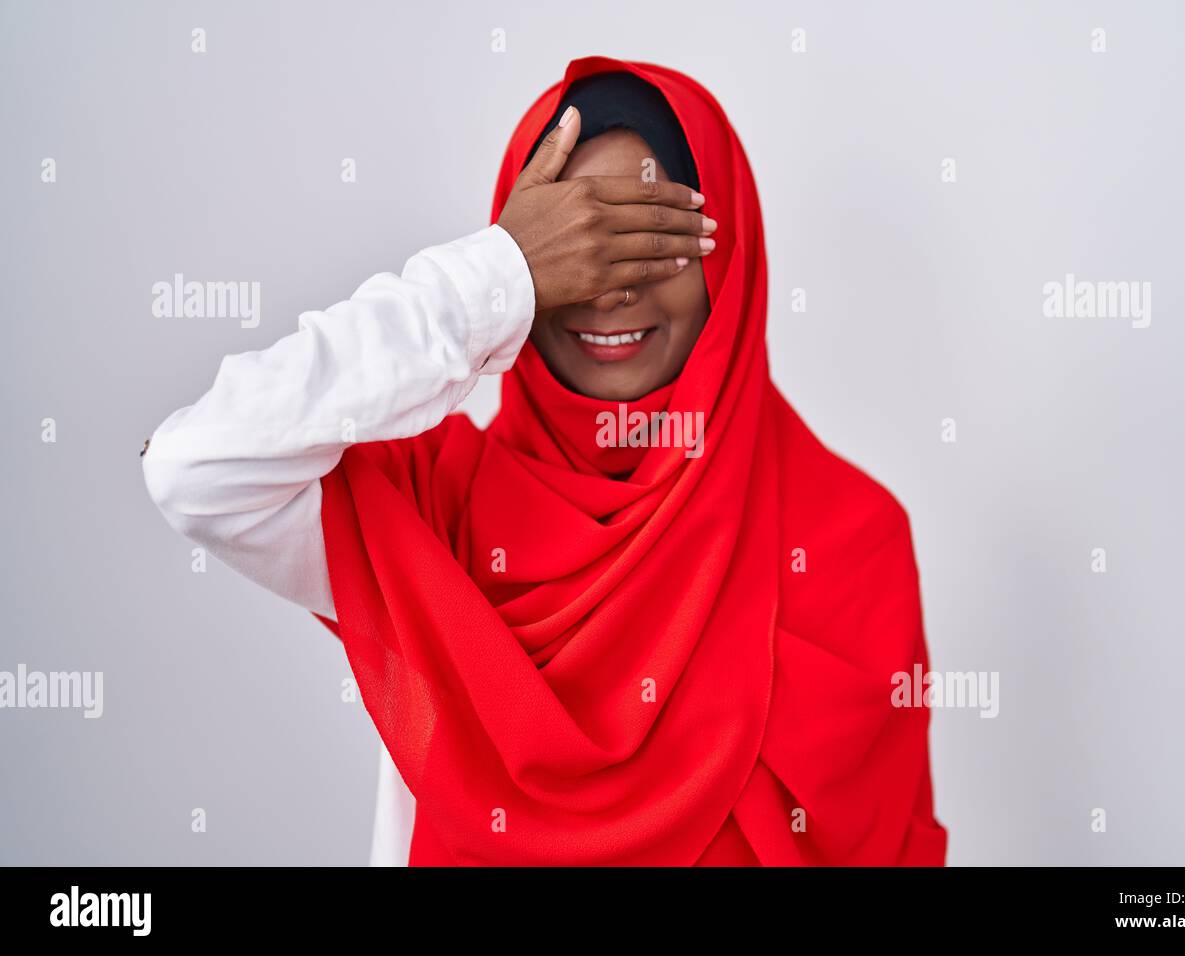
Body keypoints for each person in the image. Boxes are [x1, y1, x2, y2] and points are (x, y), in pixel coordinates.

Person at [143, 55, 947, 866]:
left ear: (727, 262)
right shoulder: (431, 507)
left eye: (652, 241)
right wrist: (496, 277)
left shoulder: (848, 535)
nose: (609, 291)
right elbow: (195, 466)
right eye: (580, 246)